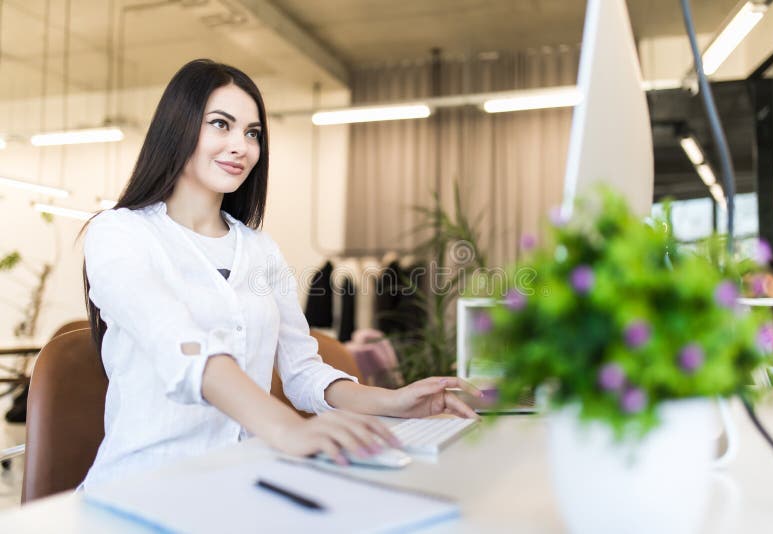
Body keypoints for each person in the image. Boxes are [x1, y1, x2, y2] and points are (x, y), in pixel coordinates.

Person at [80, 59, 478, 492]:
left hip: (244, 479)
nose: (242, 146)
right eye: (221, 124)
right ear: (178, 127)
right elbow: (180, 345)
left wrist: (393, 401)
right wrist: (287, 428)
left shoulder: (259, 248)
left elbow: (302, 371)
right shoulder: (120, 233)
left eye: (253, 133)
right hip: (145, 485)